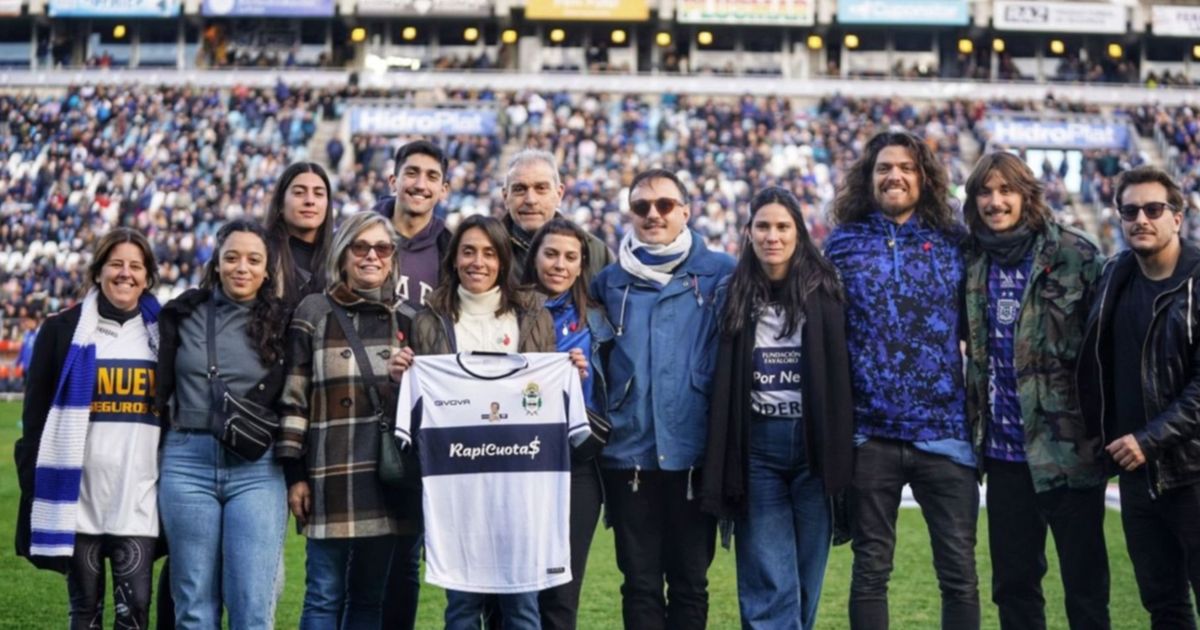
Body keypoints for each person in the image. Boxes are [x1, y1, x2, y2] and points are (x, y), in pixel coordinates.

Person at [823, 131, 979, 630]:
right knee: (870, 570)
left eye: (907, 167)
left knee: (959, 573)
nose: (895, 175)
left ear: (925, 178)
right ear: (867, 179)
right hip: (870, 434)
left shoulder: (956, 242)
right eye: (884, 167)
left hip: (946, 434)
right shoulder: (843, 243)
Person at [388, 214, 569, 630]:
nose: (478, 262)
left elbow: (543, 390)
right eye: (468, 251)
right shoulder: (429, 318)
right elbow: (422, 404)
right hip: (457, 484)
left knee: (523, 605)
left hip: (523, 480)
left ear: (504, 260)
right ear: (453, 259)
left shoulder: (532, 314)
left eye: (489, 253)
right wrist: (403, 376)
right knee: (462, 606)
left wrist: (566, 373)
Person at [962, 153, 1110, 629]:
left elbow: (1107, 353)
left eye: (1006, 190)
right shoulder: (972, 261)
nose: (995, 201)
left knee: (1085, 590)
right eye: (985, 191)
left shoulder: (1078, 255)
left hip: (1070, 454)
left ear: (1027, 194)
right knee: (1014, 588)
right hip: (1006, 457)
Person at [701, 186, 855, 630]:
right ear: (748, 233)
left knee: (807, 578)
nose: (773, 236)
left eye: (783, 226)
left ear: (799, 233)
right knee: (769, 578)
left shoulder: (827, 289)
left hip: (815, 443)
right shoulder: (731, 292)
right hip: (758, 445)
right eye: (763, 226)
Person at [591, 168, 735, 630]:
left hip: (694, 456)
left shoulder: (721, 273)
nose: (653, 215)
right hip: (629, 457)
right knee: (639, 584)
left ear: (687, 212)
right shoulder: (609, 282)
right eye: (642, 207)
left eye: (665, 205)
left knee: (691, 583)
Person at [275, 212, 420, 630]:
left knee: (368, 599)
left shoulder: (409, 318)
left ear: (393, 258)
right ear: (343, 256)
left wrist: (400, 383)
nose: (371, 256)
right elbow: (294, 398)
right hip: (328, 474)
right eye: (361, 247)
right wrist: (295, 474)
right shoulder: (314, 311)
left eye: (382, 248)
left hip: (385, 479)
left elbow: (425, 409)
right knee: (322, 595)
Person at [16, 228, 163, 629]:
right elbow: (34, 421)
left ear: (148, 277)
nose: (125, 273)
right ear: (98, 271)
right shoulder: (62, 329)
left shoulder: (165, 333)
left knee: (134, 616)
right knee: (85, 616)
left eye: (136, 266)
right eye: (116, 264)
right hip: (77, 501)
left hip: (139, 500)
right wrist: (34, 487)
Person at [1078, 165, 1200, 628]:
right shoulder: (1115, 276)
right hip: (1136, 474)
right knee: (1163, 604)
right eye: (1130, 211)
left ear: (1177, 216)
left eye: (1153, 209)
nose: (1141, 219)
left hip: (1190, 471)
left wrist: (1147, 439)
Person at [155, 220, 289, 629]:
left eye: (253, 260)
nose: (241, 268)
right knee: (193, 604)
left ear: (267, 270)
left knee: (252, 603)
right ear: (217, 263)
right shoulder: (182, 312)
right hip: (187, 461)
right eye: (231, 258)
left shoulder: (286, 322)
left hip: (258, 467)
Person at [521, 217, 616, 630]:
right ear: (534, 258)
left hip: (577, 467)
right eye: (551, 254)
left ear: (582, 265)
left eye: (570, 257)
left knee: (562, 595)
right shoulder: (505, 312)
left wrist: (580, 383)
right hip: (516, 462)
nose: (559, 264)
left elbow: (612, 394)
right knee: (514, 592)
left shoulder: (597, 320)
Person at [502, 149, 613, 279]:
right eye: (519, 189)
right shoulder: (487, 248)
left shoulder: (593, 252)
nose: (530, 200)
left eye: (541, 188)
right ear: (505, 197)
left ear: (559, 194)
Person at [371, 140, 453, 309]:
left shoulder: (451, 252)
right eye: (412, 173)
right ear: (393, 181)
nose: (420, 185)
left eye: (432, 177)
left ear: (443, 190)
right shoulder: (357, 238)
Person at [265, 161, 335, 308]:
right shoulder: (261, 254)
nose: (310, 201)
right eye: (299, 193)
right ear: (280, 204)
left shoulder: (342, 256)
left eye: (318, 194)